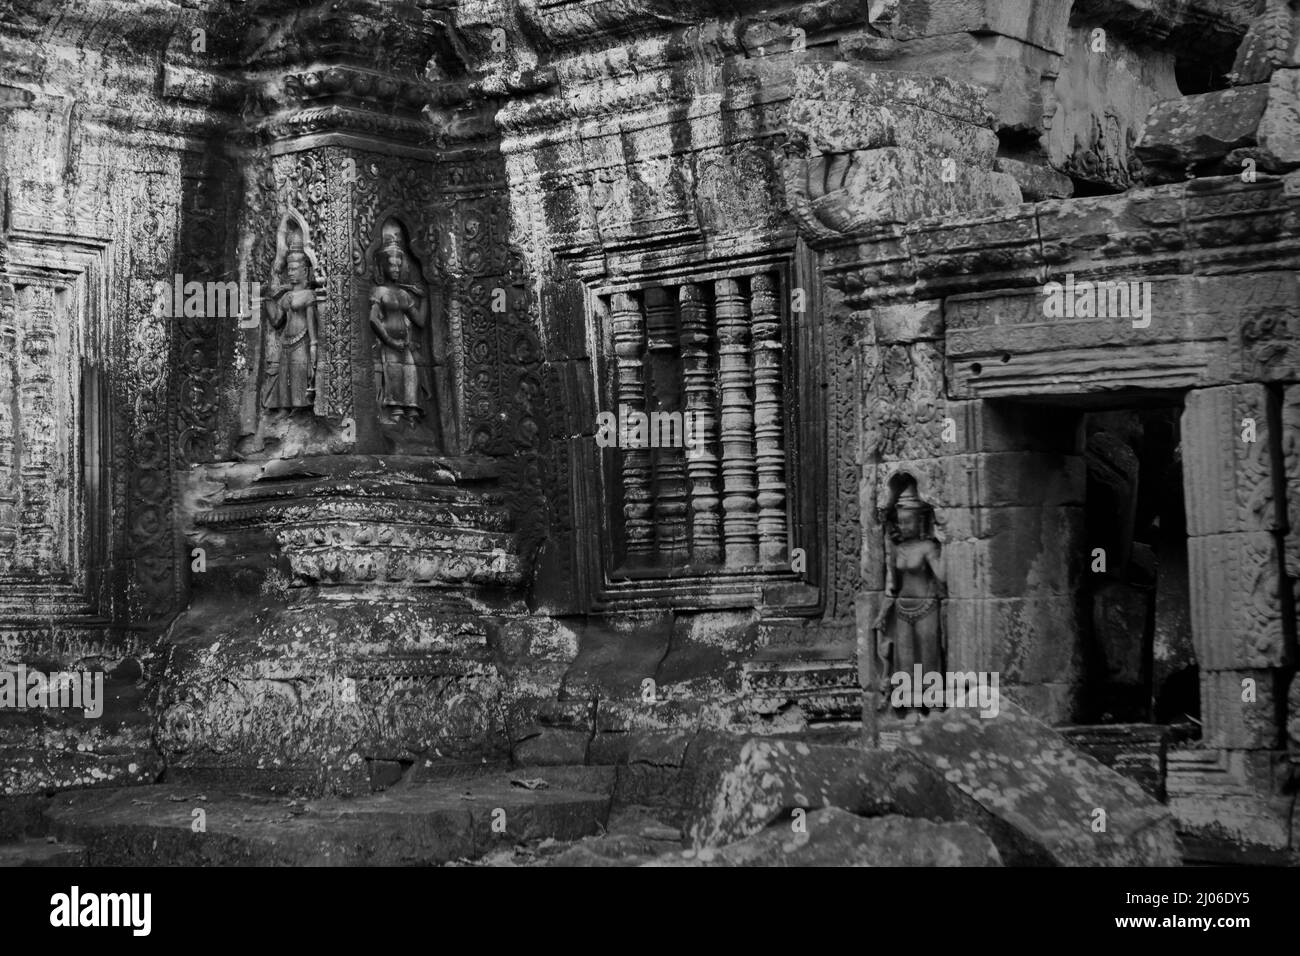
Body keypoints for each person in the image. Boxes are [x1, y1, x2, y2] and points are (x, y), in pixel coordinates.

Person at [873, 481, 946, 713]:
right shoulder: (897, 549)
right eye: (901, 521)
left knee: (928, 658)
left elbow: (942, 576)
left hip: (927, 607)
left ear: (920, 520)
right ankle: (912, 708)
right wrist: (883, 613)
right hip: (903, 608)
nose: (903, 526)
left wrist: (950, 541)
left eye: (908, 521)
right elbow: (892, 586)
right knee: (905, 660)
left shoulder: (928, 547)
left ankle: (933, 708)